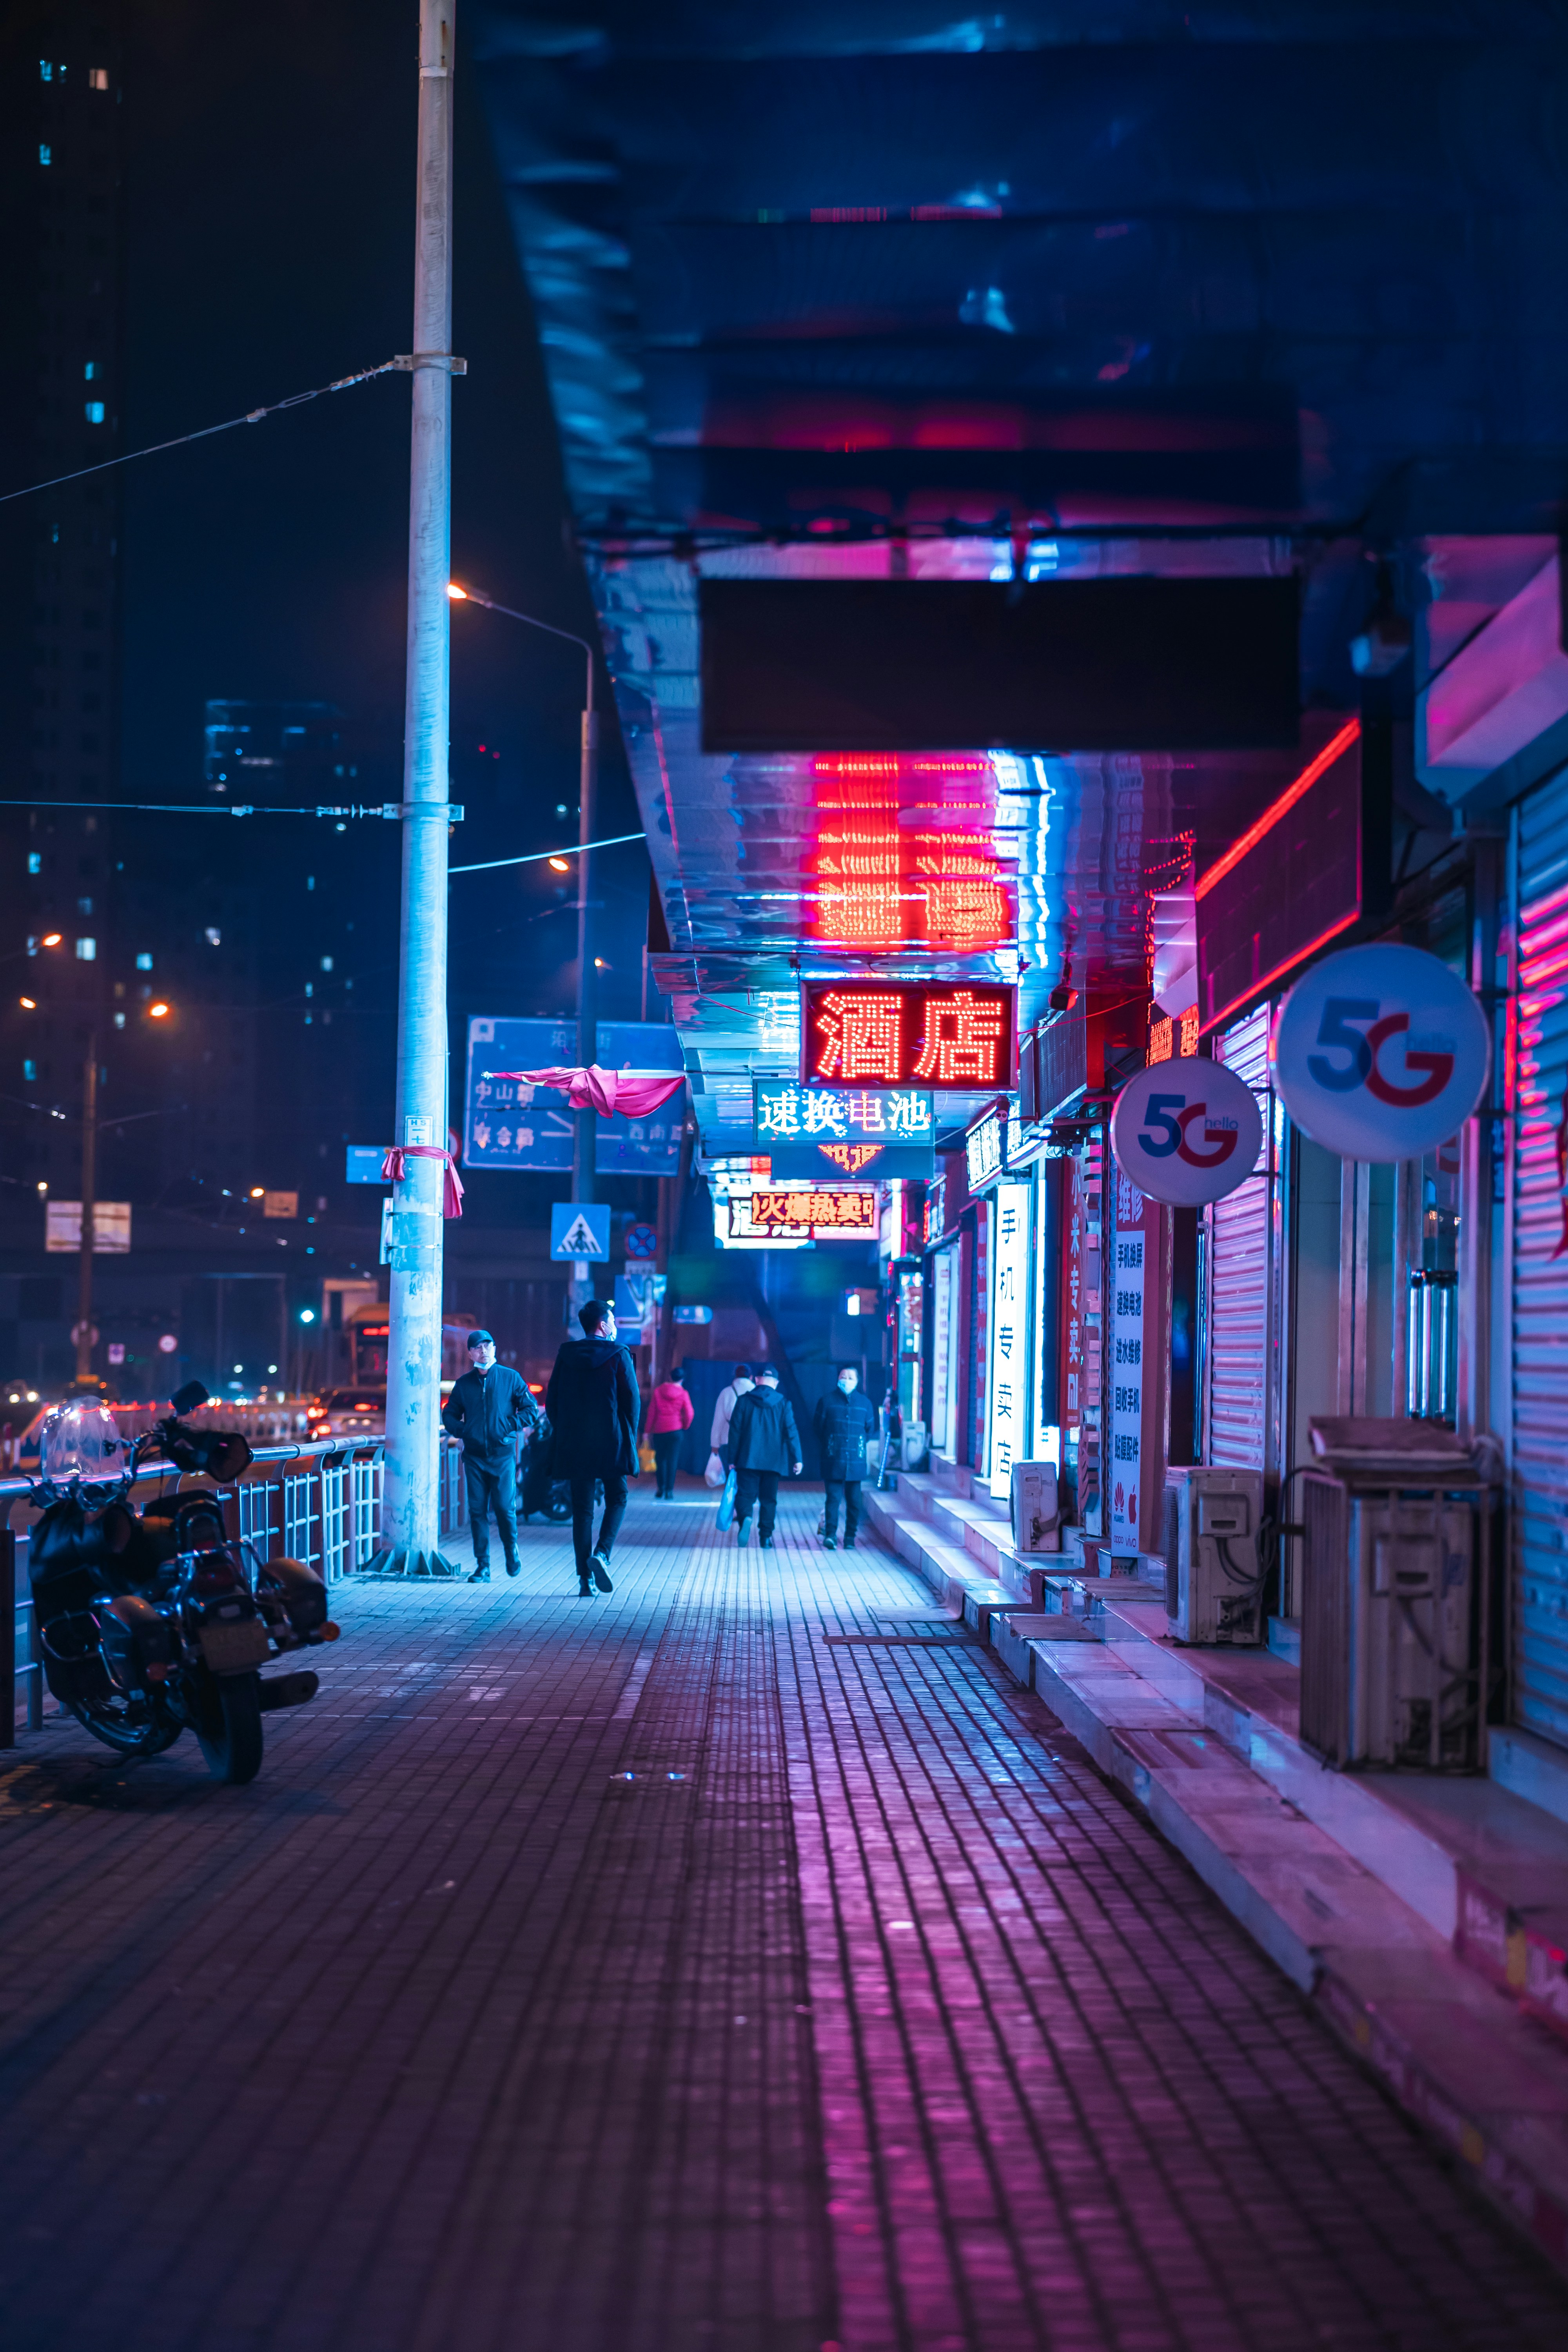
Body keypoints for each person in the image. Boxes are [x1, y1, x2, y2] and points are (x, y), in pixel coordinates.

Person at [545, 1298, 640, 1595]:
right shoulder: (619, 1354)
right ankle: (601, 1554)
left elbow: (552, 1402)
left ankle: (584, 1580)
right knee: (618, 1498)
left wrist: (565, 1432)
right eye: (612, 1320)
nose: (614, 1325)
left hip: (576, 1444)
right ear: (603, 1325)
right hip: (611, 1440)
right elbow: (632, 1400)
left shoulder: (566, 1353)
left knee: (583, 1510)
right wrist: (629, 1437)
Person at [441, 1330, 542, 1583]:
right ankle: (483, 1566)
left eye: (487, 1345)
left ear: (495, 1348)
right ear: (471, 1353)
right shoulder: (464, 1384)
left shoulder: (510, 1378)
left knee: (505, 1509)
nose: (483, 1351)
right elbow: (449, 1415)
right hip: (474, 1457)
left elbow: (531, 1409)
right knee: (477, 1512)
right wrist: (464, 1431)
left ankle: (511, 1550)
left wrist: (510, 1425)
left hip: (502, 1456)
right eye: (477, 1347)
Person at [727, 1363, 802, 1551]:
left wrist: (732, 1460)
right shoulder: (784, 1403)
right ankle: (766, 1538)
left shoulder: (744, 1401)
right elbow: (791, 1432)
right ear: (776, 1383)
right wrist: (797, 1459)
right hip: (774, 1462)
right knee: (769, 1500)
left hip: (747, 1459)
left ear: (756, 1380)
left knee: (745, 1496)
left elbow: (735, 1432)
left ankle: (746, 1517)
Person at [813, 1366, 877, 1551]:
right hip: (833, 1459)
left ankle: (850, 1537)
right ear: (838, 1379)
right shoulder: (827, 1401)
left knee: (854, 1503)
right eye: (843, 1377)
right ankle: (831, 1536)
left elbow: (869, 1430)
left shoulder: (865, 1403)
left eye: (850, 1377)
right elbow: (818, 1428)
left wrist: (857, 1445)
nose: (847, 1380)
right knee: (833, 1500)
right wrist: (831, 1443)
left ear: (857, 1381)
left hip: (856, 1462)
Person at [642, 1364, 693, 1498]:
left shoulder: (658, 1391)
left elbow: (652, 1412)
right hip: (676, 1431)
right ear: (682, 1380)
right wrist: (684, 1425)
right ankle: (669, 1492)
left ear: (670, 1377)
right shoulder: (683, 1394)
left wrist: (647, 1431)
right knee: (673, 1460)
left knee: (660, 1460)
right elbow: (690, 1413)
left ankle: (661, 1489)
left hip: (659, 1430)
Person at [709, 1362, 755, 1470]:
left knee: (731, 1476)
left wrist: (715, 1444)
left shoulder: (726, 1392)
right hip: (752, 1439)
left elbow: (718, 1420)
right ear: (751, 1377)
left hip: (728, 1439)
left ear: (735, 1375)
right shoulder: (756, 1392)